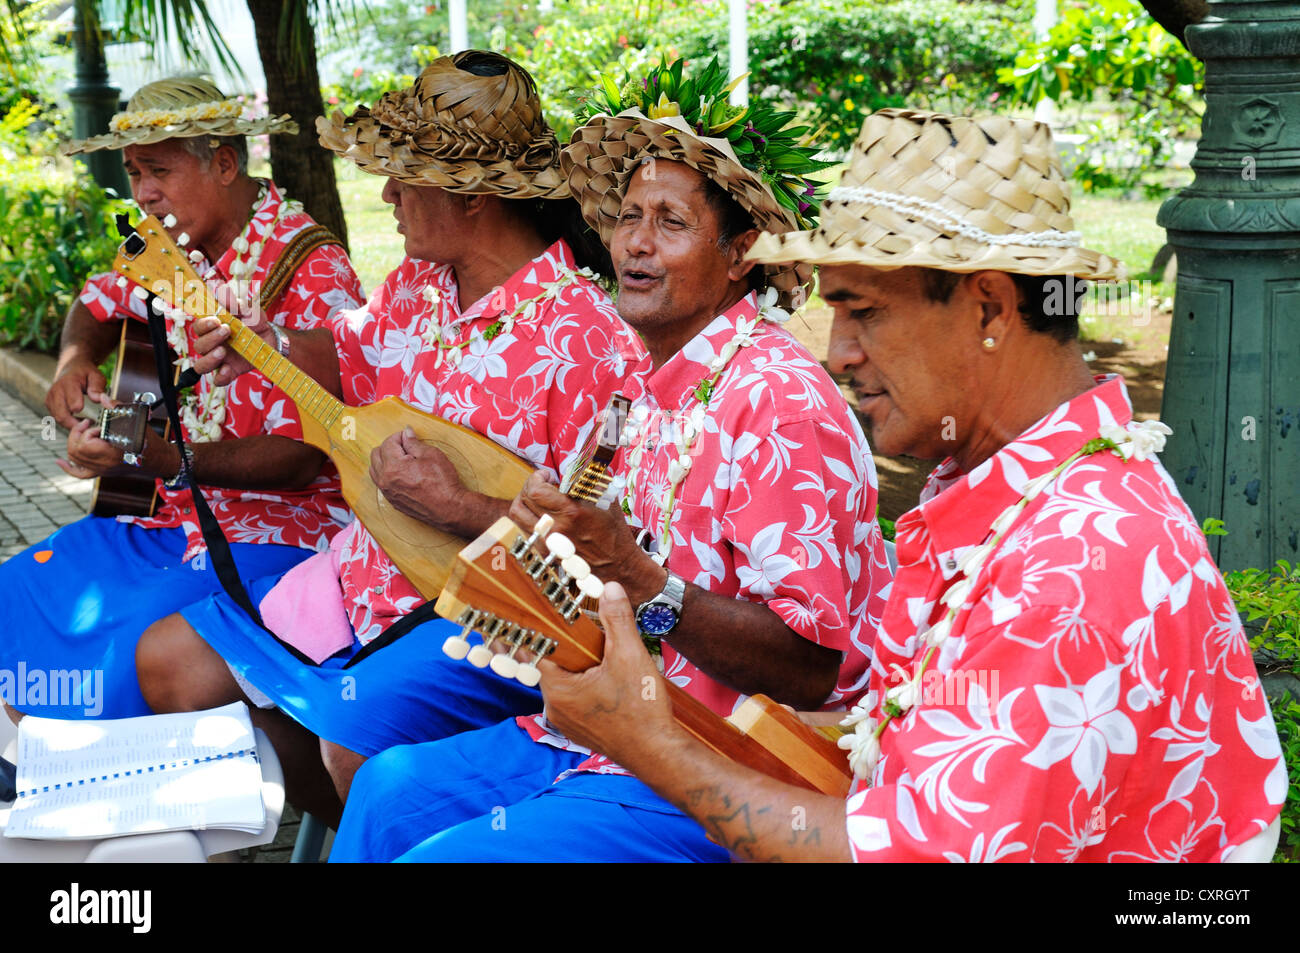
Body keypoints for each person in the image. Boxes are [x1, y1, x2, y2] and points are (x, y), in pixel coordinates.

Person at [526, 109, 1287, 861]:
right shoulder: (1027, 497)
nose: (840, 352)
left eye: (863, 312)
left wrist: (646, 740)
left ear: (989, 307)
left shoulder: (1070, 565)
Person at [327, 58, 893, 862]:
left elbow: (810, 664)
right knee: (387, 791)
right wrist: (549, 553)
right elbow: (604, 572)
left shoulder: (777, 400)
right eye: (628, 216)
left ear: (740, 256)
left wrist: (642, 582)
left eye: (671, 221)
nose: (635, 243)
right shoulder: (650, 387)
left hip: (721, 763)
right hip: (609, 726)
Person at [134, 51, 646, 823]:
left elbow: (598, 554)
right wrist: (259, 341)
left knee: (352, 744)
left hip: (475, 617)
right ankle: (357, 827)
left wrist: (458, 503)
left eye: (404, 176)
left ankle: (389, 826)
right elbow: (344, 355)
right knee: (167, 661)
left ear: (470, 196)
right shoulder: (419, 284)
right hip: (363, 574)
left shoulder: (586, 340)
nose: (387, 195)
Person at [0, 77, 363, 724]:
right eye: (134, 172)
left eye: (159, 170)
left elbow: (304, 458)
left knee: (129, 639)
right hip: (171, 519)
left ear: (224, 163)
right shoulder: (165, 248)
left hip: (286, 537)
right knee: (20, 584)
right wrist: (75, 359)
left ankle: (96, 788)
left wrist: (167, 458)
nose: (142, 192)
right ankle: (33, 770)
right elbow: (95, 301)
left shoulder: (311, 265)